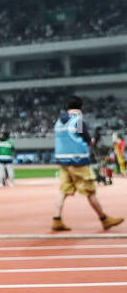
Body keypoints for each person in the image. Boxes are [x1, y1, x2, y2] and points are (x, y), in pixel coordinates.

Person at [52, 96, 122, 232]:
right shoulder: (77, 121)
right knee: (90, 191)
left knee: (63, 191)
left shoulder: (58, 122)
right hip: (78, 161)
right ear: (80, 107)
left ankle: (57, 220)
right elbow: (88, 141)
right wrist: (95, 138)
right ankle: (104, 219)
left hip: (62, 161)